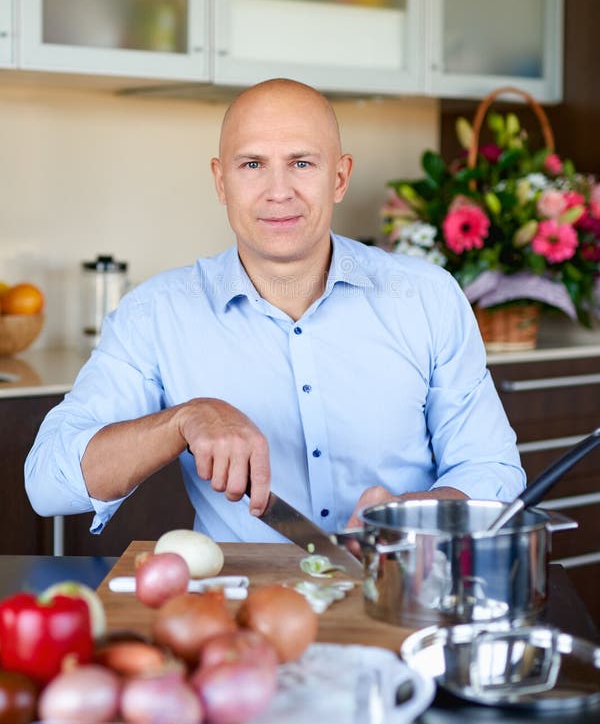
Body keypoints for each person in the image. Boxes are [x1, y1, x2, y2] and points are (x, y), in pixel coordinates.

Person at [25, 78, 525, 542]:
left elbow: (491, 467)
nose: (278, 191)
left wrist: (408, 518)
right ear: (221, 182)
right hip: (242, 616)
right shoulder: (155, 314)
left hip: (403, 593)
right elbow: (48, 483)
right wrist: (185, 419)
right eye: (252, 164)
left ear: (340, 177)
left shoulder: (428, 298)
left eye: (302, 163)